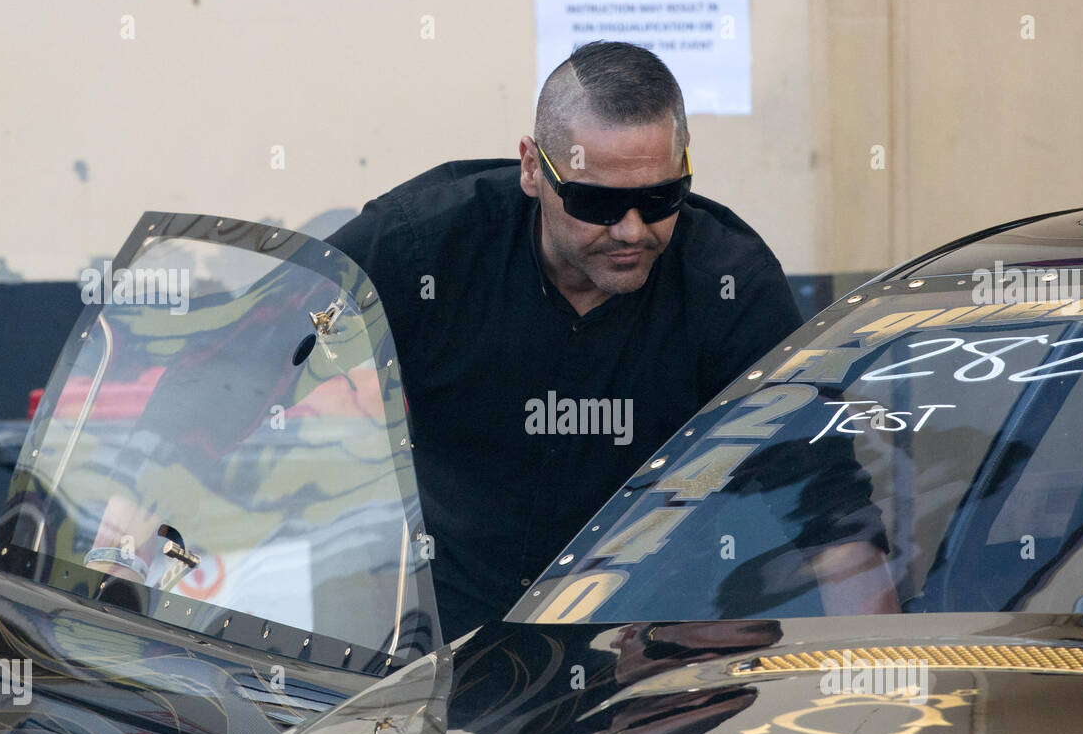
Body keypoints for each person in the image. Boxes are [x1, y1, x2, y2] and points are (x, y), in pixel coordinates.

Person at [325, 41, 802, 641]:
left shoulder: (732, 284)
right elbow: (268, 351)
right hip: (445, 636)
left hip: (649, 647)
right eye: (596, 202)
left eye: (660, 199)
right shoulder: (422, 247)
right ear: (532, 167)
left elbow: (824, 503)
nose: (631, 230)